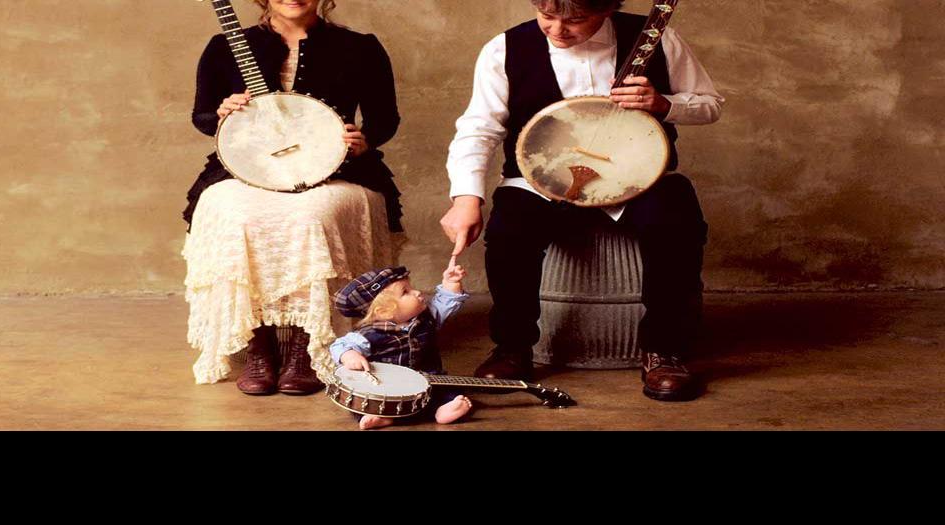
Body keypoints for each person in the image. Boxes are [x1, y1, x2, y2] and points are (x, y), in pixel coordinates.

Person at [440, 0, 724, 401]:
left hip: (639, 178)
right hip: (539, 181)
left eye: (576, 19)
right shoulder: (504, 49)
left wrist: (664, 104)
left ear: (607, 8)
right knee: (508, 233)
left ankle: (664, 350)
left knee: (676, 221)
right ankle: (512, 347)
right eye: (547, 16)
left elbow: (710, 105)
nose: (557, 30)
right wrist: (466, 196)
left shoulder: (657, 39)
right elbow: (478, 128)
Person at [183, 0, 404, 396]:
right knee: (239, 217)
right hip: (246, 168)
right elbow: (201, 117)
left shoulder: (361, 47)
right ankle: (259, 344)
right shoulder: (224, 44)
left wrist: (364, 140)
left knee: (312, 217)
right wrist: (222, 113)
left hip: (338, 168)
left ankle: (308, 343)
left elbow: (385, 118)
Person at [329, 265, 474, 429]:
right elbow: (341, 345)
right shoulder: (369, 334)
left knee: (446, 391)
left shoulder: (427, 318)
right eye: (406, 292)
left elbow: (444, 303)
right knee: (367, 401)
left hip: (427, 380)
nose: (417, 292)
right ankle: (380, 415)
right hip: (388, 386)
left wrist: (451, 283)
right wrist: (349, 355)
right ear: (384, 312)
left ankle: (444, 409)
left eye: (411, 287)